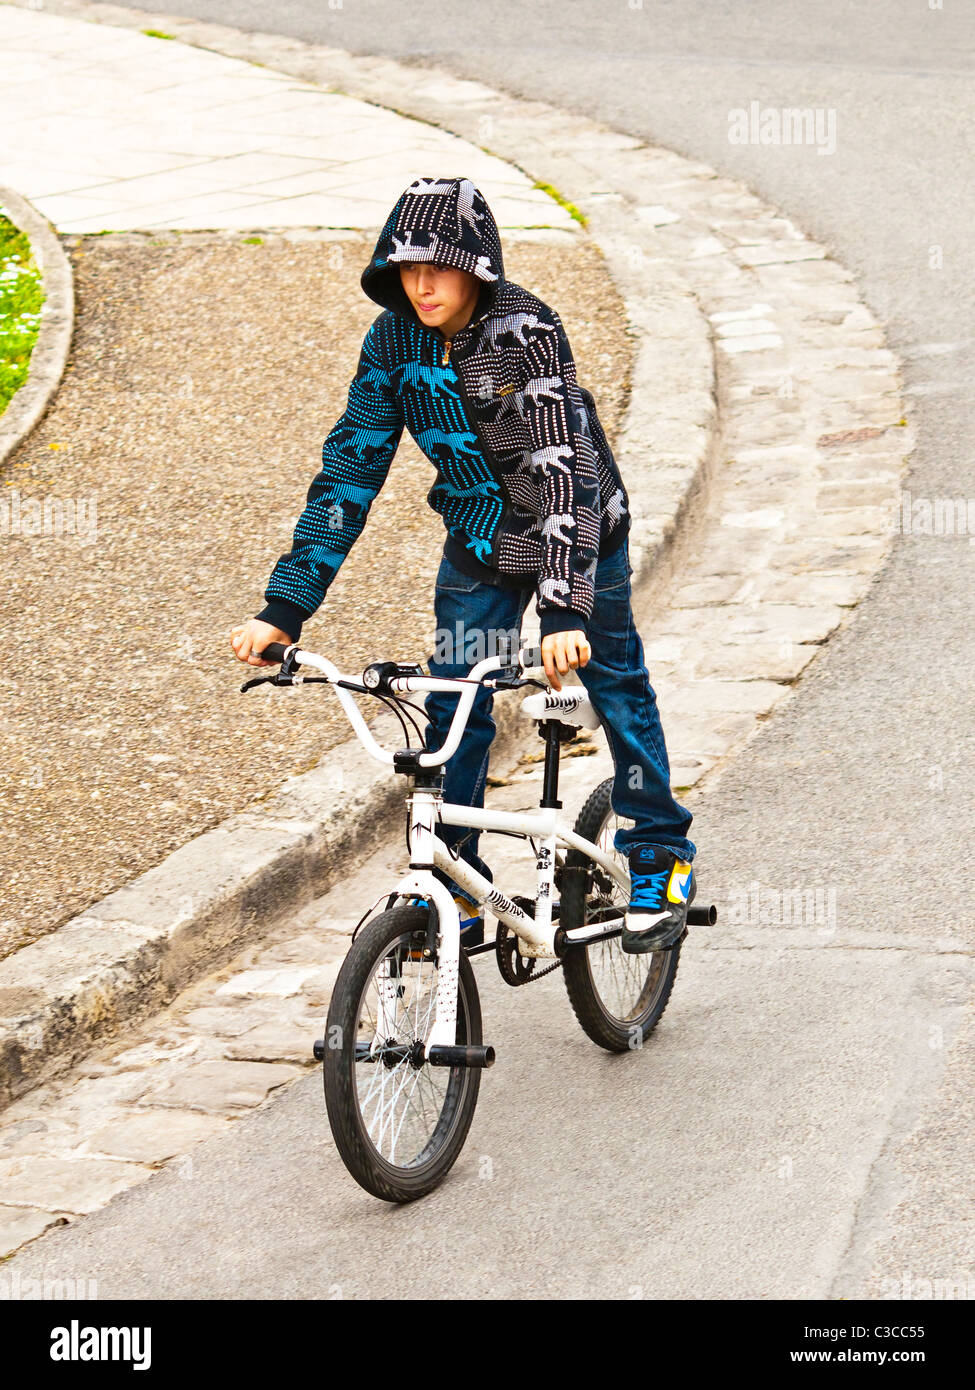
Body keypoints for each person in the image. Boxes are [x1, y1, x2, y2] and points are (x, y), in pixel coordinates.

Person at [231, 175, 696, 953]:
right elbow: (348, 472)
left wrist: (564, 609)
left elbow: (560, 467)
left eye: (438, 269)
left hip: (579, 531)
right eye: (408, 269)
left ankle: (658, 849)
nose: (421, 286)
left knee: (613, 679)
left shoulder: (526, 330)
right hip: (481, 542)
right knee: (453, 702)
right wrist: (285, 606)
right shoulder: (391, 343)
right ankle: (459, 881)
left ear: (475, 269)